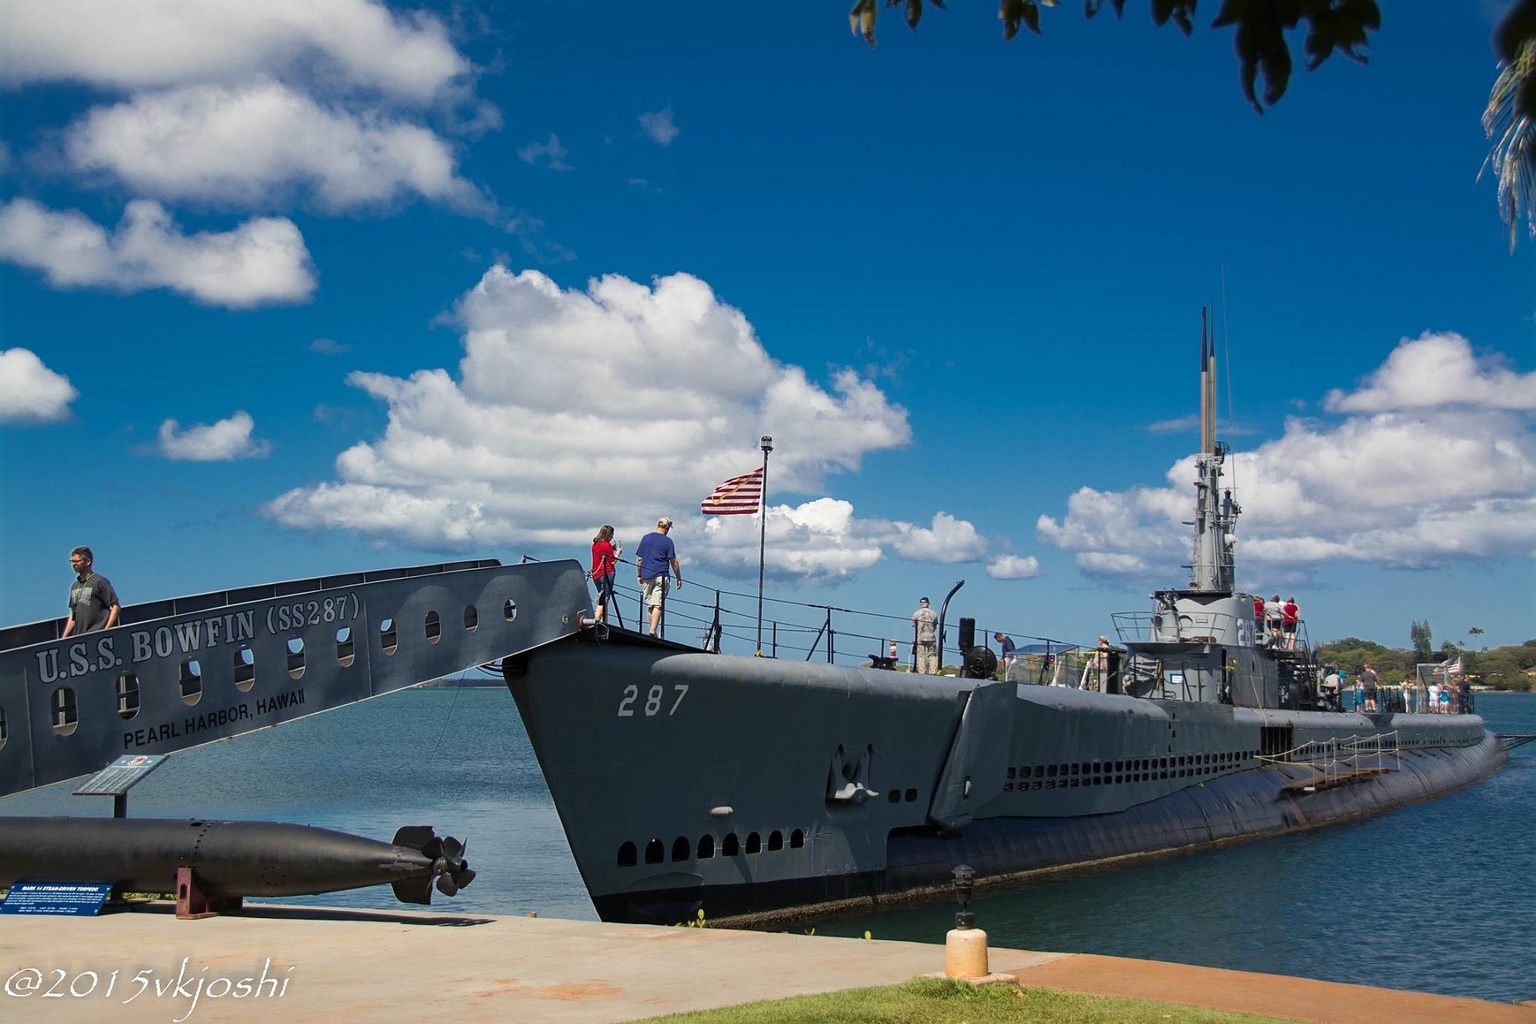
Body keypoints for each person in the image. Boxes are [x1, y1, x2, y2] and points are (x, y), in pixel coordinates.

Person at [635, 517, 681, 637]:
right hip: (661, 574)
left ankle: (652, 630)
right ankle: (652, 631)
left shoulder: (645, 538)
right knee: (658, 604)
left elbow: (640, 560)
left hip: (646, 575)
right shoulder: (667, 541)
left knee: (650, 604)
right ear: (667, 528)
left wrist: (639, 574)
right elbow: (674, 561)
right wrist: (678, 577)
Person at [62, 546, 120, 637]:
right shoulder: (74, 586)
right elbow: (73, 614)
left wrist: (106, 630)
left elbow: (116, 607)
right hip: (80, 637)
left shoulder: (100, 581)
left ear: (88, 561)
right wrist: (64, 637)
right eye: (72, 562)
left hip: (98, 634)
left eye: (77, 561)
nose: (73, 564)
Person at [589, 525, 621, 624]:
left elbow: (600, 555)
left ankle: (604, 621)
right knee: (605, 598)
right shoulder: (606, 545)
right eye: (612, 535)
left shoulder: (595, 544)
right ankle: (597, 620)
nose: (612, 537)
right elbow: (612, 561)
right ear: (608, 534)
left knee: (601, 595)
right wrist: (618, 553)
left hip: (596, 574)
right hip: (606, 573)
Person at [911, 597, 938, 674]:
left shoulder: (916, 614)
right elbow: (935, 624)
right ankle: (933, 672)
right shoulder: (933, 613)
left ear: (920, 604)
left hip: (920, 638)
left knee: (921, 657)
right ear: (928, 603)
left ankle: (922, 672)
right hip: (931, 637)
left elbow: (914, 625)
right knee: (932, 656)